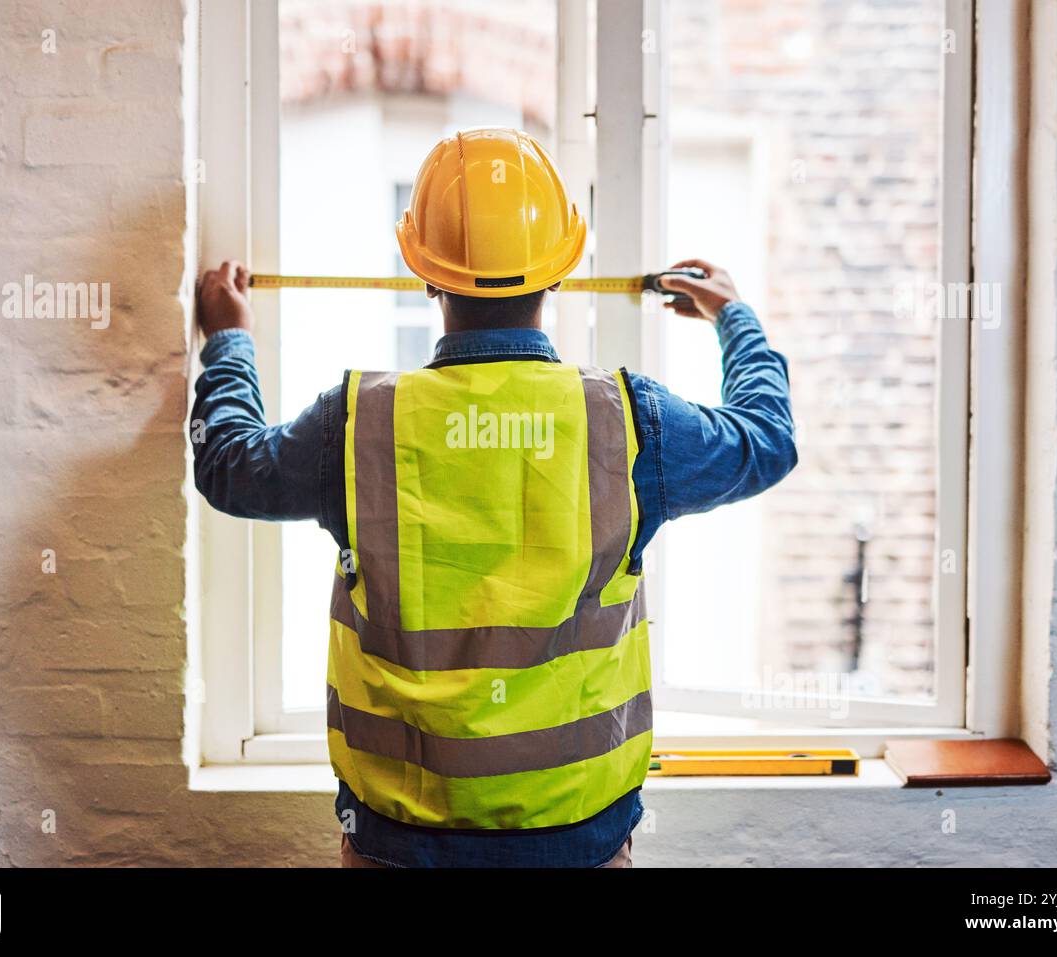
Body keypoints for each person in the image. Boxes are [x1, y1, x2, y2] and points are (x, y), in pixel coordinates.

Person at [192, 127, 796, 868]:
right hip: (579, 840)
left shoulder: (358, 425)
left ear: (422, 274)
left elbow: (228, 466)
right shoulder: (627, 422)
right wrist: (733, 318)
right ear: (561, 275)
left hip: (400, 843)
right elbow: (766, 440)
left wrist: (228, 339)